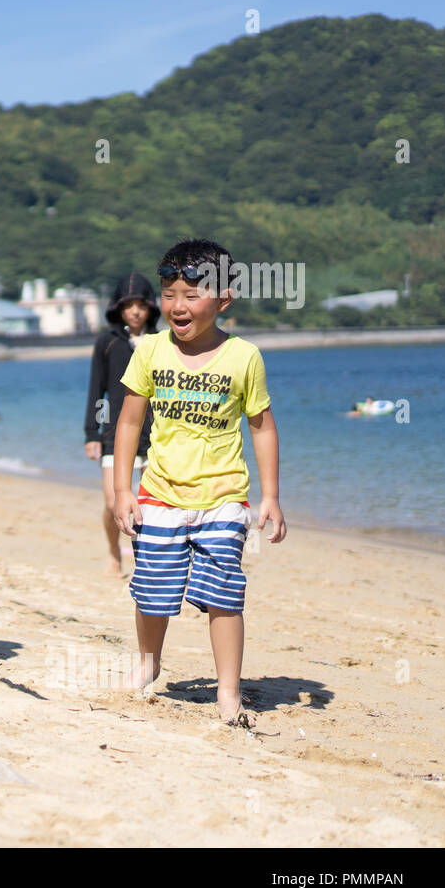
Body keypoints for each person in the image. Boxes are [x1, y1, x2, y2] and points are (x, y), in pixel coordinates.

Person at [113, 239, 287, 726]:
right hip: (160, 494)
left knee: (224, 595)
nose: (178, 306)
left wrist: (270, 496)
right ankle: (148, 665)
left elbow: (262, 426)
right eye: (169, 294)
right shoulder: (149, 350)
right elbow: (128, 422)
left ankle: (228, 691)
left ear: (223, 300)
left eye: (192, 294)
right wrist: (123, 489)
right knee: (152, 592)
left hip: (224, 497)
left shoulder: (243, 356)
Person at [83, 273, 159, 576]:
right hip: (114, 432)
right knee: (114, 500)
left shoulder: (160, 341)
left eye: (141, 305)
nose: (136, 311)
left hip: (154, 434)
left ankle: (146, 560)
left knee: (150, 504)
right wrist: (92, 433)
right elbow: (96, 388)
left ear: (151, 308)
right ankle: (114, 552)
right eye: (129, 306)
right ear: (118, 308)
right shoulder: (106, 342)